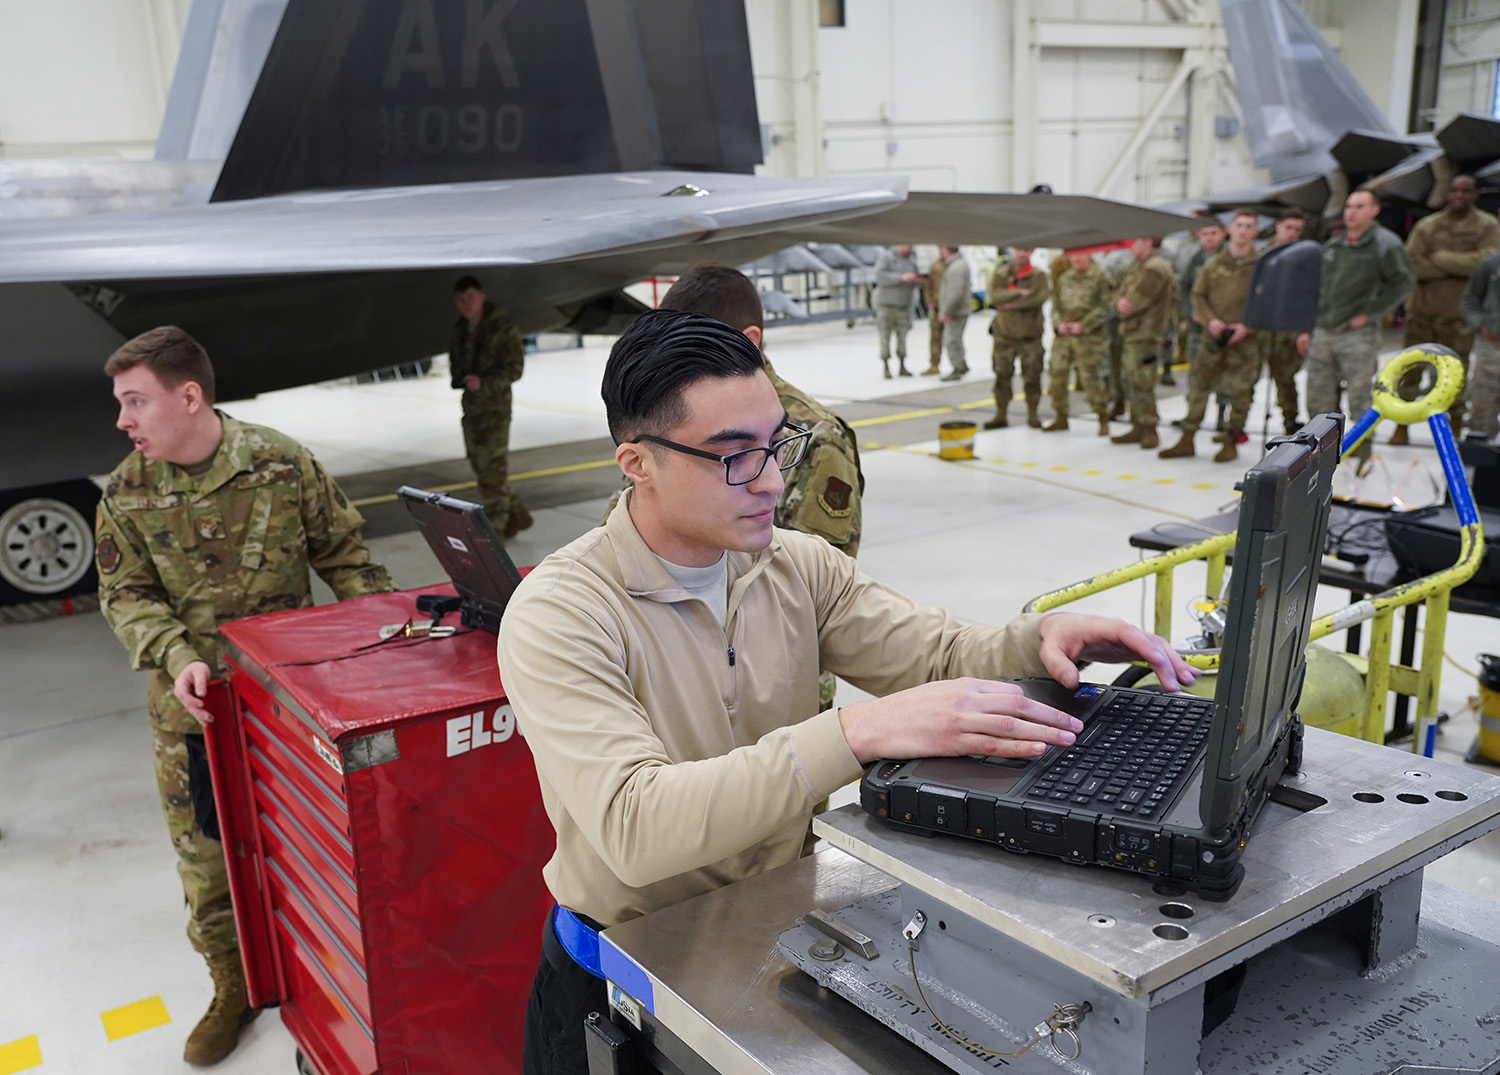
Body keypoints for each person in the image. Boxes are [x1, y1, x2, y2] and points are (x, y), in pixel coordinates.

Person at [497, 308, 1196, 1075]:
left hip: (765, 932)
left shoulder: (795, 566)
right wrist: (856, 733)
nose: (771, 479)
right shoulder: (562, 613)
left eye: (776, 444)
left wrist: (1038, 639)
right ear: (637, 462)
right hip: (619, 978)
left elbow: (938, 655)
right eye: (733, 456)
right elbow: (637, 828)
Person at [93, 327, 395, 1065]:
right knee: (207, 865)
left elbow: (346, 559)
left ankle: (321, 980)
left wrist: (388, 653)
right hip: (191, 720)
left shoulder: (280, 463)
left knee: (314, 853)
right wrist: (178, 655)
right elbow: (126, 594)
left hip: (286, 713)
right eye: (121, 404)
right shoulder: (128, 492)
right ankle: (233, 990)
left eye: (136, 401)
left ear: (187, 395)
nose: (124, 421)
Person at [1296, 190, 1417, 455]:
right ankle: (1322, 454)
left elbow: (1403, 282)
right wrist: (1308, 328)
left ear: (1374, 211)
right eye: (1349, 206)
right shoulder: (1335, 245)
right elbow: (1321, 290)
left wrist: (1372, 313)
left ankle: (1362, 453)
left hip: (1358, 334)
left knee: (1360, 398)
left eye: (1360, 206)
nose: (1351, 212)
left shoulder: (1385, 244)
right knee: (1318, 397)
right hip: (1324, 330)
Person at [1392, 174, 1500, 443]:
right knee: (1410, 370)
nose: (1459, 196)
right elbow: (1411, 265)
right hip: (1422, 311)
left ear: (1475, 195)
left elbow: (1486, 262)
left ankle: (1454, 425)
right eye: (1455, 190)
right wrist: (1459, 267)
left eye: (1466, 191)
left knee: (1456, 374)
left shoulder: (1487, 226)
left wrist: (1439, 259)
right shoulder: (1428, 226)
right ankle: (1402, 424)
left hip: (1458, 315)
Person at [1160, 209, 1263, 463]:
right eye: (1239, 225)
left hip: (1245, 340)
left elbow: (1268, 300)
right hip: (1212, 338)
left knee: (1240, 392)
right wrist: (1210, 320)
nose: (1243, 230)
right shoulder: (1213, 263)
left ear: (1255, 232)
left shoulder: (1261, 266)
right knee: (1198, 387)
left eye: (1249, 226)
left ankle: (1230, 441)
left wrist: (1247, 326)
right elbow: (1198, 294)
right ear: (1231, 229)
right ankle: (1187, 438)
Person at [450, 275, 532, 538]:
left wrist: (482, 382)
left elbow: (515, 369)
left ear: (482, 297)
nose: (466, 305)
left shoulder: (502, 328)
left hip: (495, 409)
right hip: (472, 409)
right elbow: (456, 363)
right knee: (480, 466)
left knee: (492, 473)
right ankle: (518, 517)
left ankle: (494, 533)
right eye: (461, 300)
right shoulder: (460, 330)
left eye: (471, 298)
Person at [1110, 237, 1177, 450]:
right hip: (1134, 334)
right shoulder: (1139, 266)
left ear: (1147, 241)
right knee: (1130, 379)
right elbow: (1118, 295)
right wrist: (1118, 301)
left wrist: (1120, 302)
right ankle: (1138, 425)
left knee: (1142, 382)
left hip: (1146, 334)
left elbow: (1132, 302)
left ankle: (1149, 429)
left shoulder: (1154, 269)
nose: (1131, 246)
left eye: (1136, 241)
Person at [1044, 248, 1114, 435]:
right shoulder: (1065, 278)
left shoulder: (1100, 278)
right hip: (1064, 336)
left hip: (1089, 338)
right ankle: (1061, 416)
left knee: (1090, 377)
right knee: (1057, 373)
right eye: (1072, 256)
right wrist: (1058, 323)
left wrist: (1084, 325)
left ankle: (1102, 417)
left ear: (1088, 255)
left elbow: (1106, 306)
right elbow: (1055, 305)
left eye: (1079, 255)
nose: (1075, 259)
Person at [984, 246, 1051, 429]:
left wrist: (1010, 305)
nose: (1022, 254)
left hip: (1030, 335)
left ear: (1032, 252)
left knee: (1032, 376)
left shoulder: (1038, 276)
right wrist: (1018, 293)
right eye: (1019, 250)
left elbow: (1039, 298)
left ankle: (1033, 413)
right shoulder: (1000, 274)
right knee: (1002, 375)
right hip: (1004, 334)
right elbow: (995, 297)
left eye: (1026, 250)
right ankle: (1001, 413)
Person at [1260, 207, 1309, 433]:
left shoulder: (1305, 258)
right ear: (1278, 226)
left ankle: (1290, 418)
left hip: (1289, 327)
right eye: (1289, 227)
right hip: (1260, 325)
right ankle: (1232, 425)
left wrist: (1303, 330)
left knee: (1285, 377)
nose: (1293, 233)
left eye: (1298, 229)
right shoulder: (1262, 255)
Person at [1174, 215, 1226, 390]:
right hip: (1197, 327)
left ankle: (1221, 412)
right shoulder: (1196, 259)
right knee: (1196, 371)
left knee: (1223, 374)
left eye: (1213, 233)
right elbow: (1184, 287)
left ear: (1223, 234)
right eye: (1205, 233)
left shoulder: (1229, 258)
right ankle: (1193, 414)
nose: (1209, 237)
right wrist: (1191, 312)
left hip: (1224, 325)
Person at [1461, 249, 1500, 440]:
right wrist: (1481, 324)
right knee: (1482, 405)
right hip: (1492, 346)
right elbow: (1470, 299)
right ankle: (1478, 462)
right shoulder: (1491, 264)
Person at [872, 244, 923, 378]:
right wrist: (901, 277)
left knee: (903, 338)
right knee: (885, 337)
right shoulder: (886, 257)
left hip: (904, 306)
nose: (910, 248)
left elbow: (917, 277)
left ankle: (902, 365)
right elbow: (879, 276)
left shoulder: (911, 259)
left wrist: (916, 279)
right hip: (886, 306)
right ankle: (886, 366)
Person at [936, 245, 973, 381]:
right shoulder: (960, 264)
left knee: (951, 340)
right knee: (957, 339)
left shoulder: (956, 268)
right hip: (960, 310)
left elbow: (955, 293)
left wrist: (947, 311)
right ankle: (962, 364)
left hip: (955, 312)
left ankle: (957, 368)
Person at [920, 249, 946, 375]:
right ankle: (934, 364)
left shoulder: (956, 266)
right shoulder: (935, 266)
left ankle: (959, 365)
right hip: (936, 307)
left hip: (950, 307)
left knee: (953, 338)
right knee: (935, 337)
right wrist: (930, 301)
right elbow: (928, 285)